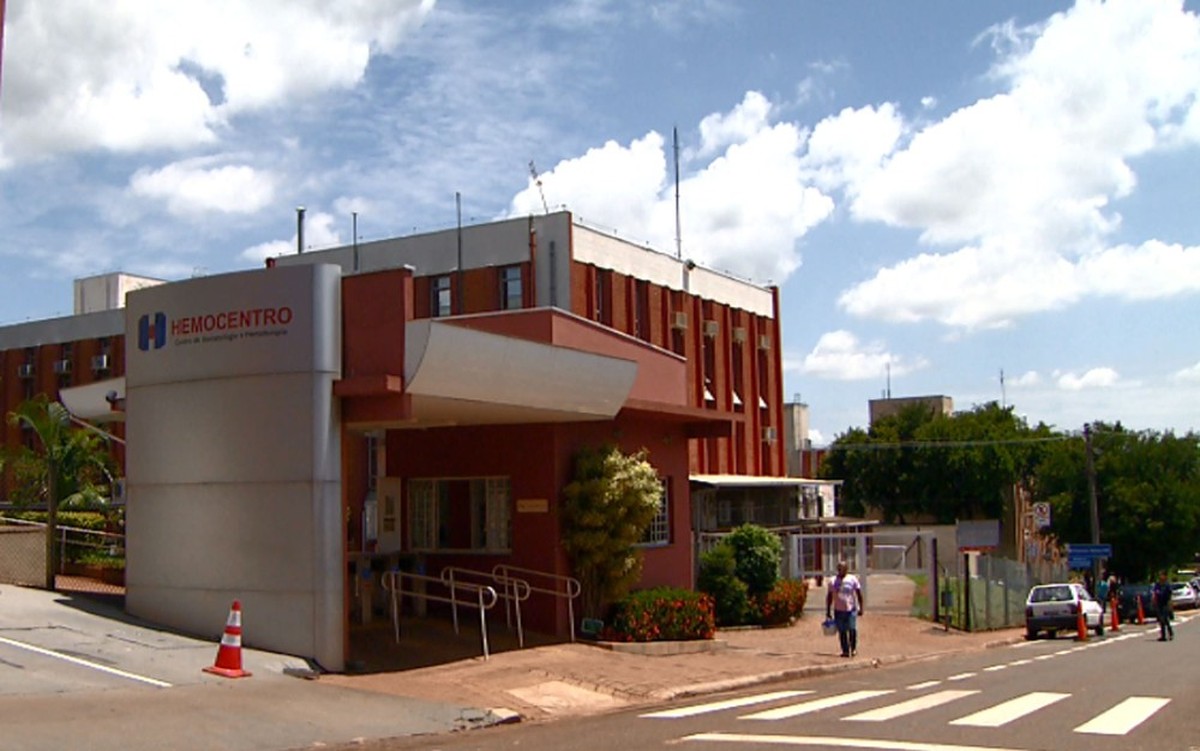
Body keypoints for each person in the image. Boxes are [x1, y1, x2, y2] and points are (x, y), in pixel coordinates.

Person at [825, 560, 864, 658]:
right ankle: (845, 650)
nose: (841, 570)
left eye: (842, 568)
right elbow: (829, 596)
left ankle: (853, 648)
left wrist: (861, 608)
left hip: (851, 609)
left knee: (852, 629)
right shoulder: (833, 581)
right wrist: (828, 611)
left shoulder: (852, 579)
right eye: (839, 568)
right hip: (838, 610)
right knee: (842, 631)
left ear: (846, 569)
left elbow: (859, 594)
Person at [1151, 571, 1174, 641]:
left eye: (1162, 575)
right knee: (1162, 620)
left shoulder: (1167, 585)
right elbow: (1154, 593)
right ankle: (1164, 635)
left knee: (1164, 619)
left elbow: (1169, 595)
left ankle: (1170, 634)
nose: (1161, 577)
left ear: (1165, 576)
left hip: (1165, 603)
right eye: (1160, 575)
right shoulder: (1157, 584)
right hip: (1159, 603)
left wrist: (1170, 604)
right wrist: (1154, 601)